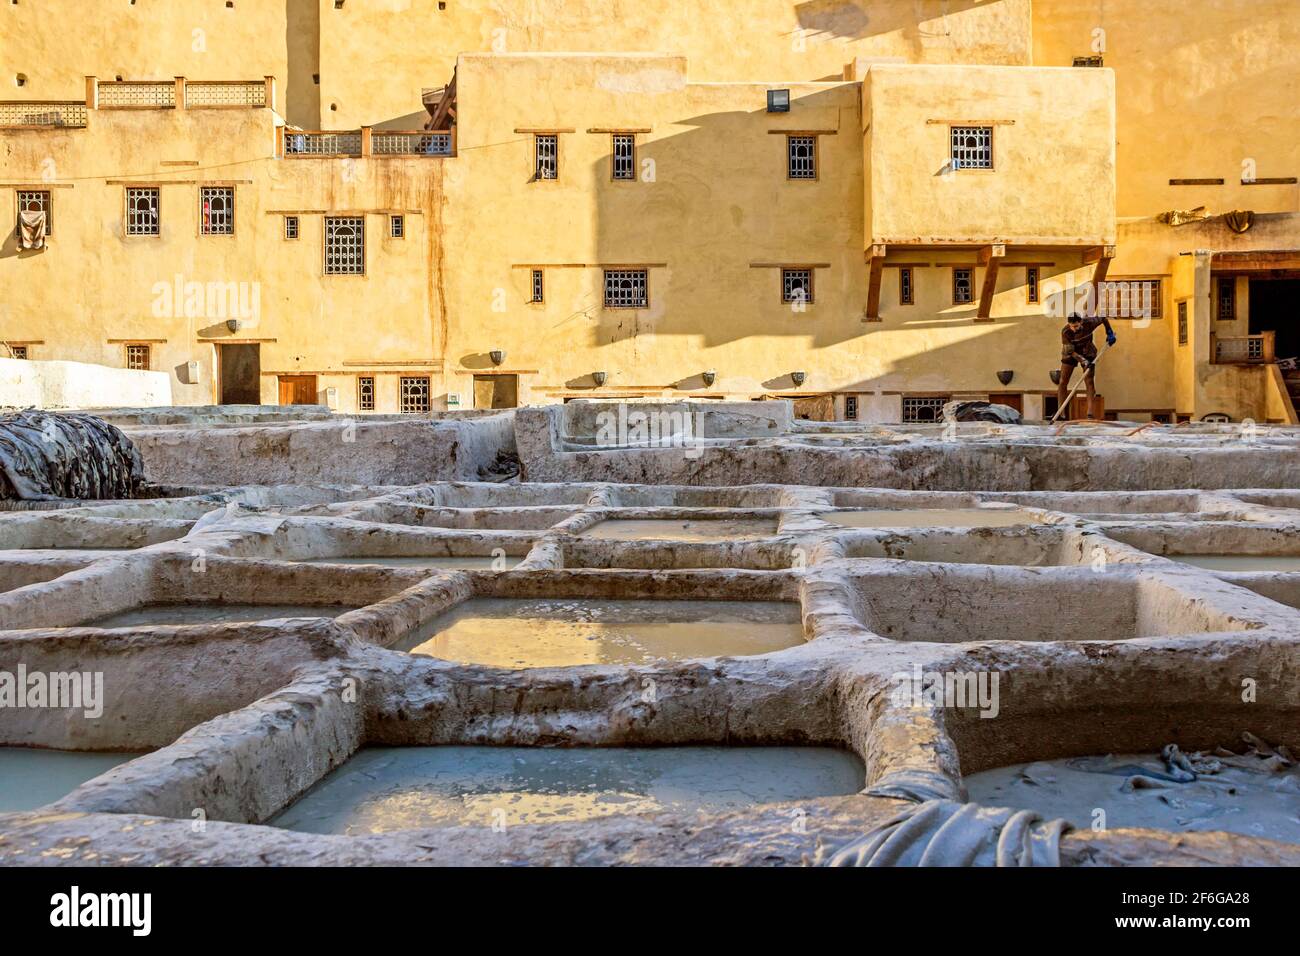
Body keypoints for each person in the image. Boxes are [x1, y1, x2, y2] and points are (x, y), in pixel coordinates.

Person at [1058, 312, 1116, 420]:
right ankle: (1061, 414)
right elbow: (1070, 352)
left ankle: (1090, 413)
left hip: (1087, 350)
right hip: (1072, 352)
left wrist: (1109, 332)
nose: (1074, 329)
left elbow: (1103, 318)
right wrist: (1083, 361)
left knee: (1089, 381)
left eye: (1076, 326)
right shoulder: (1066, 332)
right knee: (1063, 381)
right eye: (1071, 326)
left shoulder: (1089, 322)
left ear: (1081, 322)